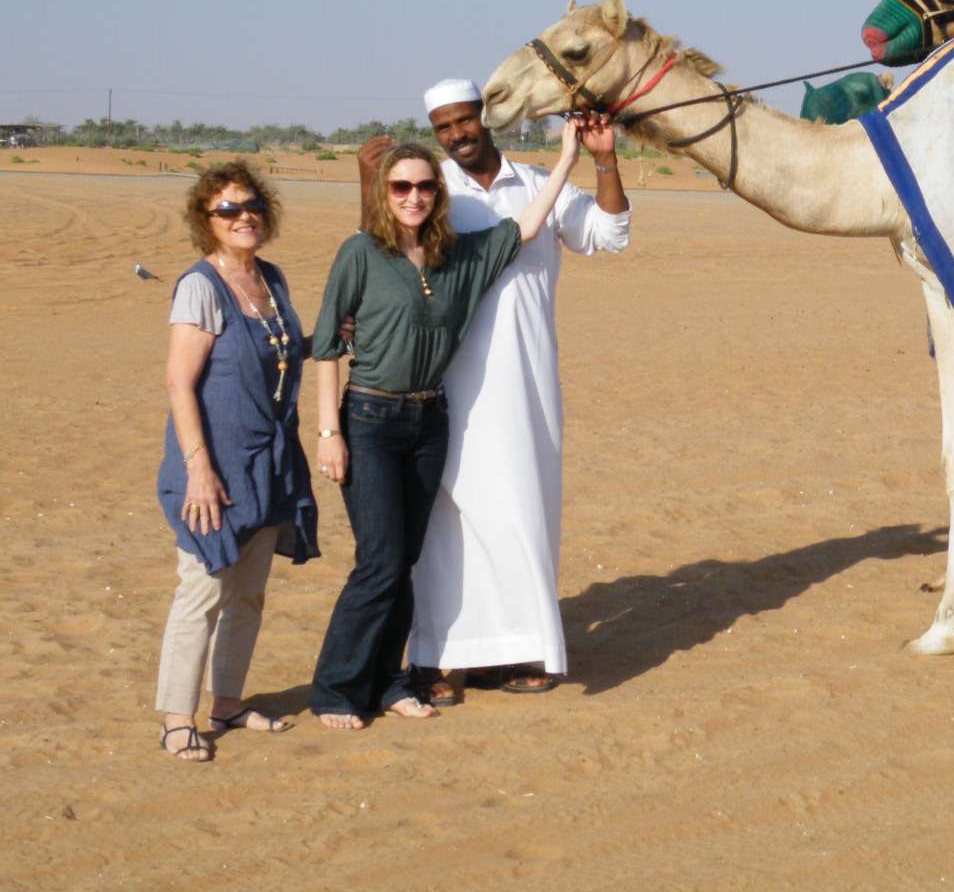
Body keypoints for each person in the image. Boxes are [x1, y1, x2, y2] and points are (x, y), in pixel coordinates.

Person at [359, 80, 629, 703]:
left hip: (527, 380)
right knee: (446, 519)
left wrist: (603, 158)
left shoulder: (538, 185)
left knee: (522, 513)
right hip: (444, 381)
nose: (457, 134)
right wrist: (368, 183)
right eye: (444, 127)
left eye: (464, 121)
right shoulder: (430, 193)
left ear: (485, 118)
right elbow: (382, 260)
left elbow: (608, 236)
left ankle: (518, 652)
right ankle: (433, 658)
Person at [308, 125, 584, 729]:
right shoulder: (362, 252)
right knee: (378, 561)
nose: (413, 197)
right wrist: (328, 433)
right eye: (400, 186)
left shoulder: (457, 256)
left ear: (440, 192)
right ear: (385, 192)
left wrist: (567, 155)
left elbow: (527, 226)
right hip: (370, 419)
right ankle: (335, 689)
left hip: (429, 420)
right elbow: (326, 346)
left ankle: (390, 682)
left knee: (406, 558)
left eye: (425, 186)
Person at [155, 163, 319, 761]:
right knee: (201, 589)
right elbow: (180, 383)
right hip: (215, 468)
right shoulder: (200, 285)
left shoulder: (270, 279)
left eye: (250, 205)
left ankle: (226, 702)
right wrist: (198, 468)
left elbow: (277, 351)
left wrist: (329, 338)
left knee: (248, 593)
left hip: (268, 462)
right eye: (226, 209)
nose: (242, 216)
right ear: (207, 220)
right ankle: (178, 717)